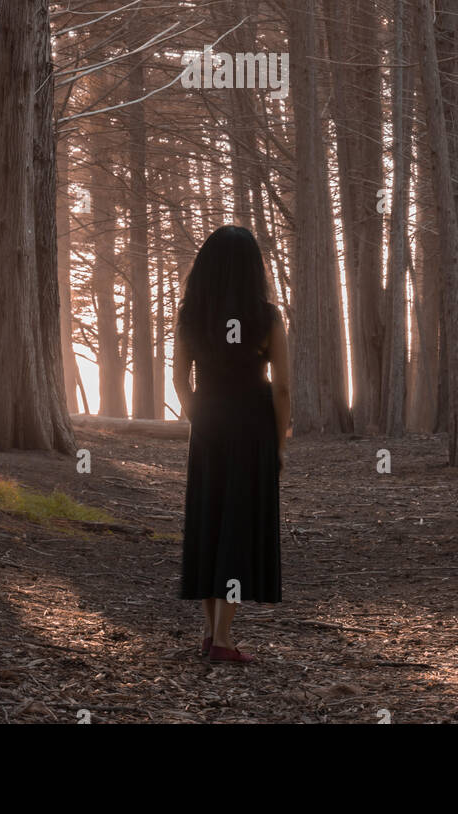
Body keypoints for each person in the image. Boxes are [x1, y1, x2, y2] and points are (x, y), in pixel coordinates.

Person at [174, 225, 291, 663]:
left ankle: (209, 633)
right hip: (252, 430)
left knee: (208, 522)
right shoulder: (266, 317)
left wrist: (199, 418)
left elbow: (178, 380)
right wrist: (278, 444)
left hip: (209, 428)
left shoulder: (191, 314)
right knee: (238, 528)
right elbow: (281, 388)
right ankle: (223, 640)